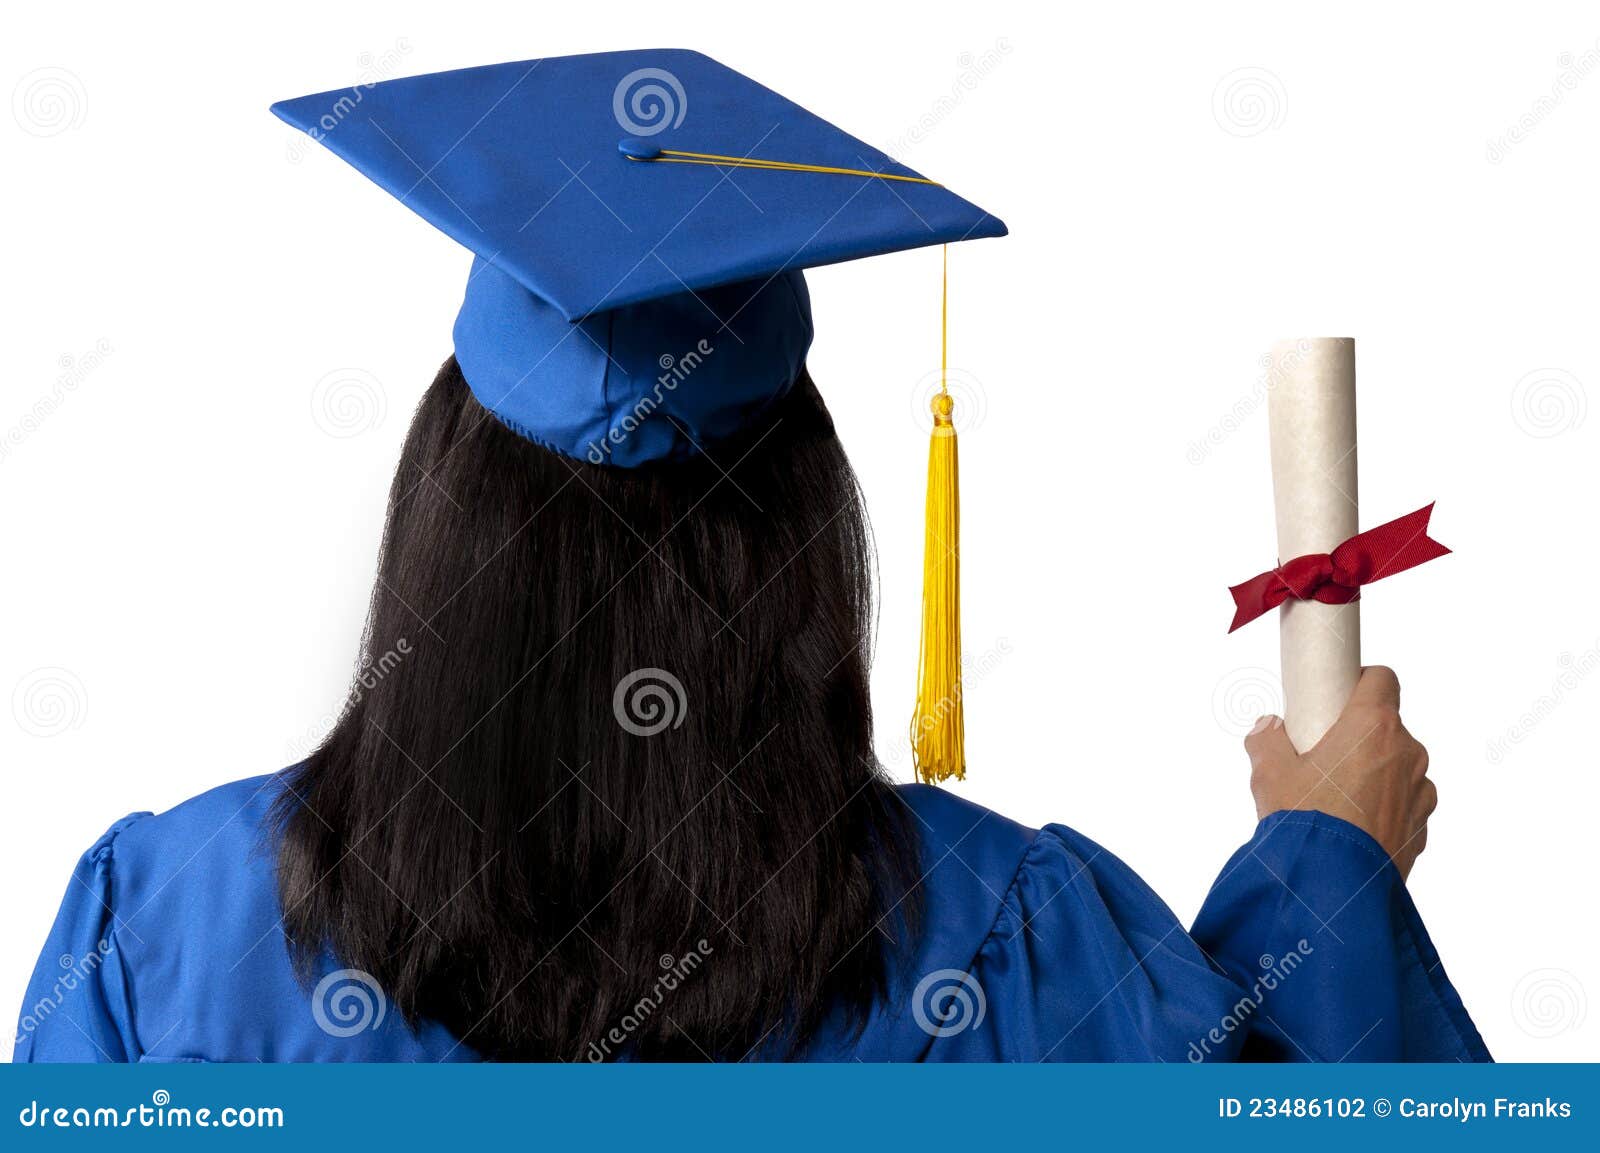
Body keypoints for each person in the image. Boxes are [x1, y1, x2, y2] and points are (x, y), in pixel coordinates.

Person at [15, 50, 1487, 1063]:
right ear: (799, 544)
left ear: (437, 519)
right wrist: (1330, 864)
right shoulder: (1005, 946)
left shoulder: (156, 939)